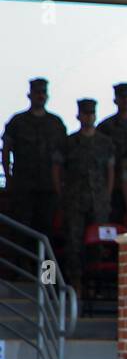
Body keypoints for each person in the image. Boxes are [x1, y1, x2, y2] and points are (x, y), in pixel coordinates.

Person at [51, 99, 114, 299]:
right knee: (73, 244)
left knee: (98, 245)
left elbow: (110, 172)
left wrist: (107, 195)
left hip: (98, 202)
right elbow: (57, 169)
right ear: (78, 116)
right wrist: (60, 194)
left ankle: (93, 286)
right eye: (85, 113)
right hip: (74, 201)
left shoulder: (105, 143)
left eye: (91, 113)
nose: (88, 117)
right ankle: (75, 284)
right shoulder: (69, 142)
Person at [2, 77, 66, 243]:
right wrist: (8, 177)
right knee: (21, 231)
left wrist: (61, 184)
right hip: (23, 187)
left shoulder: (56, 123)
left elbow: (64, 155)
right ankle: (22, 268)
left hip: (48, 188)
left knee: (46, 233)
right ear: (30, 95)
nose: (40, 96)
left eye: (43, 93)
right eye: (37, 93)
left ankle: (47, 270)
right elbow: (6, 150)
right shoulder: (18, 121)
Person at [97, 82, 127, 226]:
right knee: (113, 224)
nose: (125, 101)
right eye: (122, 97)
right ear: (116, 100)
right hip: (113, 185)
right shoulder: (105, 127)